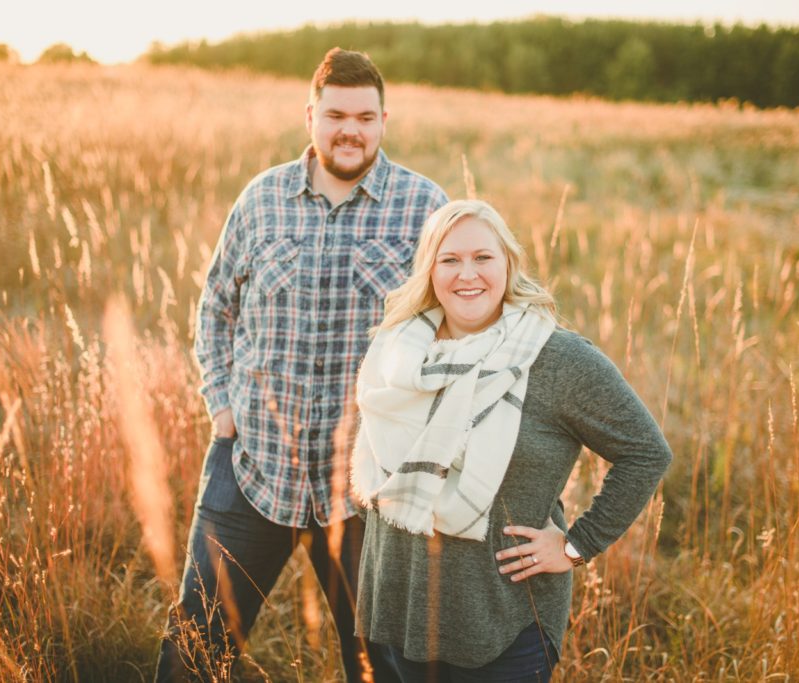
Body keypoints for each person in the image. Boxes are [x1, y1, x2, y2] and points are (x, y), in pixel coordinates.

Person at [155, 48, 447, 682]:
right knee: (193, 655)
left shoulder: (425, 208)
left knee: (384, 666)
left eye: (365, 116)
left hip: (370, 487)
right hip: (252, 466)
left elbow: (459, 330)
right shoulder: (262, 200)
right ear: (310, 116)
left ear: (384, 119)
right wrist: (222, 408)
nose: (351, 129)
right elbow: (216, 309)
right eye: (336, 114)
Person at [351, 199, 672, 682]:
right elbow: (376, 470)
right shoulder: (397, 353)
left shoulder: (557, 358)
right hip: (398, 606)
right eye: (450, 259)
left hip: (501, 623)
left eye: (483, 257)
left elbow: (646, 452)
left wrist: (575, 546)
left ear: (509, 265)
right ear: (429, 271)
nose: (467, 274)